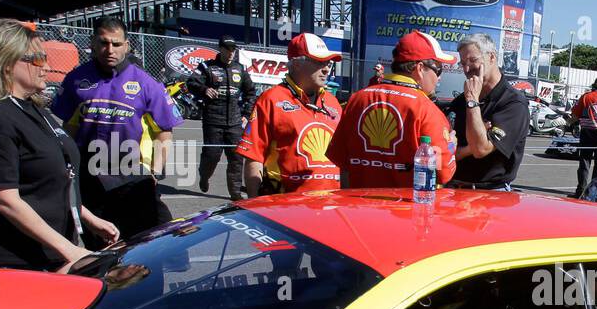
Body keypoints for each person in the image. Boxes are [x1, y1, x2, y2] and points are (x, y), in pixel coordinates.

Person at [0, 19, 118, 270]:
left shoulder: (30, 108)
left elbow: (45, 180)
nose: (47, 67)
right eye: (37, 59)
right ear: (5, 63)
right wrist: (69, 250)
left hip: (46, 253)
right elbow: (4, 199)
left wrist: (88, 218)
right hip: (6, 262)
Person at [52, 15, 182, 239]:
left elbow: (164, 132)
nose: (109, 49)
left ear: (127, 45)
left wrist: (155, 173)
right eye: (103, 43)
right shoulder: (76, 79)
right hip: (88, 174)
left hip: (132, 175)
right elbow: (68, 127)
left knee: (143, 242)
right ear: (93, 43)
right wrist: (65, 165)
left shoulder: (146, 83)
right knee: (98, 241)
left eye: (116, 44)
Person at [328, 30, 455, 190]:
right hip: (406, 211)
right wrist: (451, 145)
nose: (439, 78)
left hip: (359, 209)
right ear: (420, 68)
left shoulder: (356, 99)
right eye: (438, 70)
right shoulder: (427, 110)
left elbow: (339, 159)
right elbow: (444, 173)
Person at [237, 33, 343, 196]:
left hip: (331, 206)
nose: (327, 68)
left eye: (328, 62)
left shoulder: (333, 102)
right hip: (286, 207)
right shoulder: (272, 99)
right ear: (297, 64)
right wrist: (254, 202)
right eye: (319, 62)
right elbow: (254, 156)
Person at [447, 32, 530, 190]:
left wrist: (472, 101)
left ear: (492, 57)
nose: (466, 68)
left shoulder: (513, 103)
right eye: (462, 63)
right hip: (454, 186)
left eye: (473, 60)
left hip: (492, 193)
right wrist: (471, 146)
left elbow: (480, 150)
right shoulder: (459, 102)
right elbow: (446, 152)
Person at [192, 36, 256, 200]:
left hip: (234, 121)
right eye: (227, 49)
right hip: (213, 119)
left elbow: (251, 93)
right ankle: (204, 176)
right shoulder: (207, 66)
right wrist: (204, 89)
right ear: (220, 49)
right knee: (212, 155)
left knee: (236, 157)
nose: (231, 52)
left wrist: (246, 115)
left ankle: (235, 194)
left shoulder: (240, 69)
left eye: (233, 49)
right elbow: (191, 83)